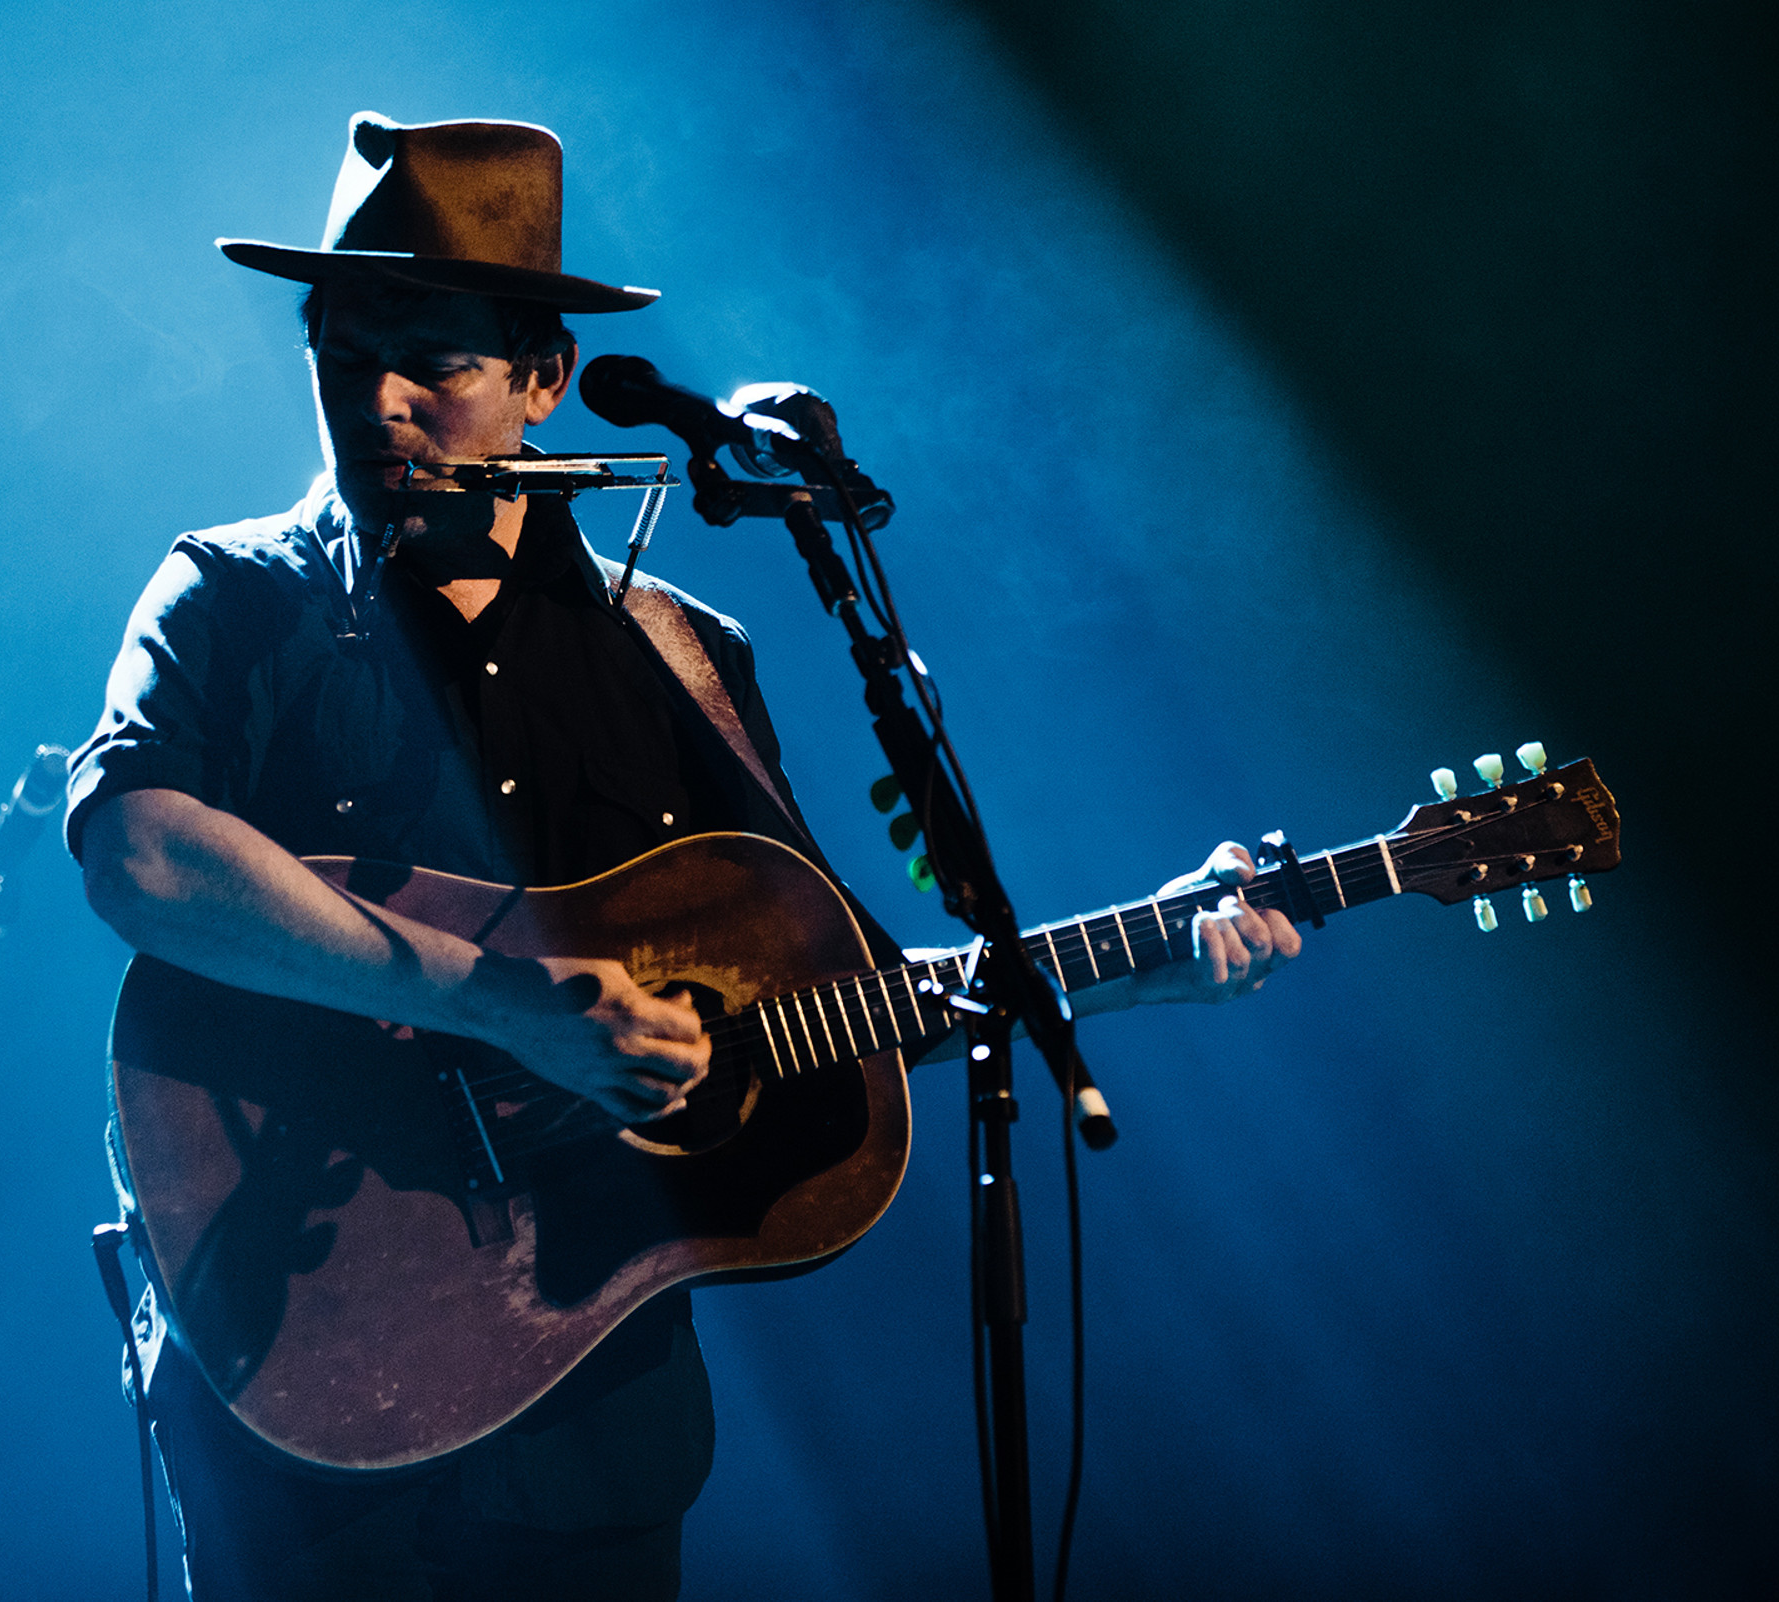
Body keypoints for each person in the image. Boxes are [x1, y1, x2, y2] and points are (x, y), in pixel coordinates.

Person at [66, 112, 1301, 1602]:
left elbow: (825, 987)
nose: (378, 399)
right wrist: (491, 996)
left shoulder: (683, 656)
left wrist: (1112, 978)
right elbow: (137, 848)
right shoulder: (230, 596)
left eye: (437, 360)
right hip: (302, 1412)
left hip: (594, 1426)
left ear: (543, 378)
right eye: (345, 345)